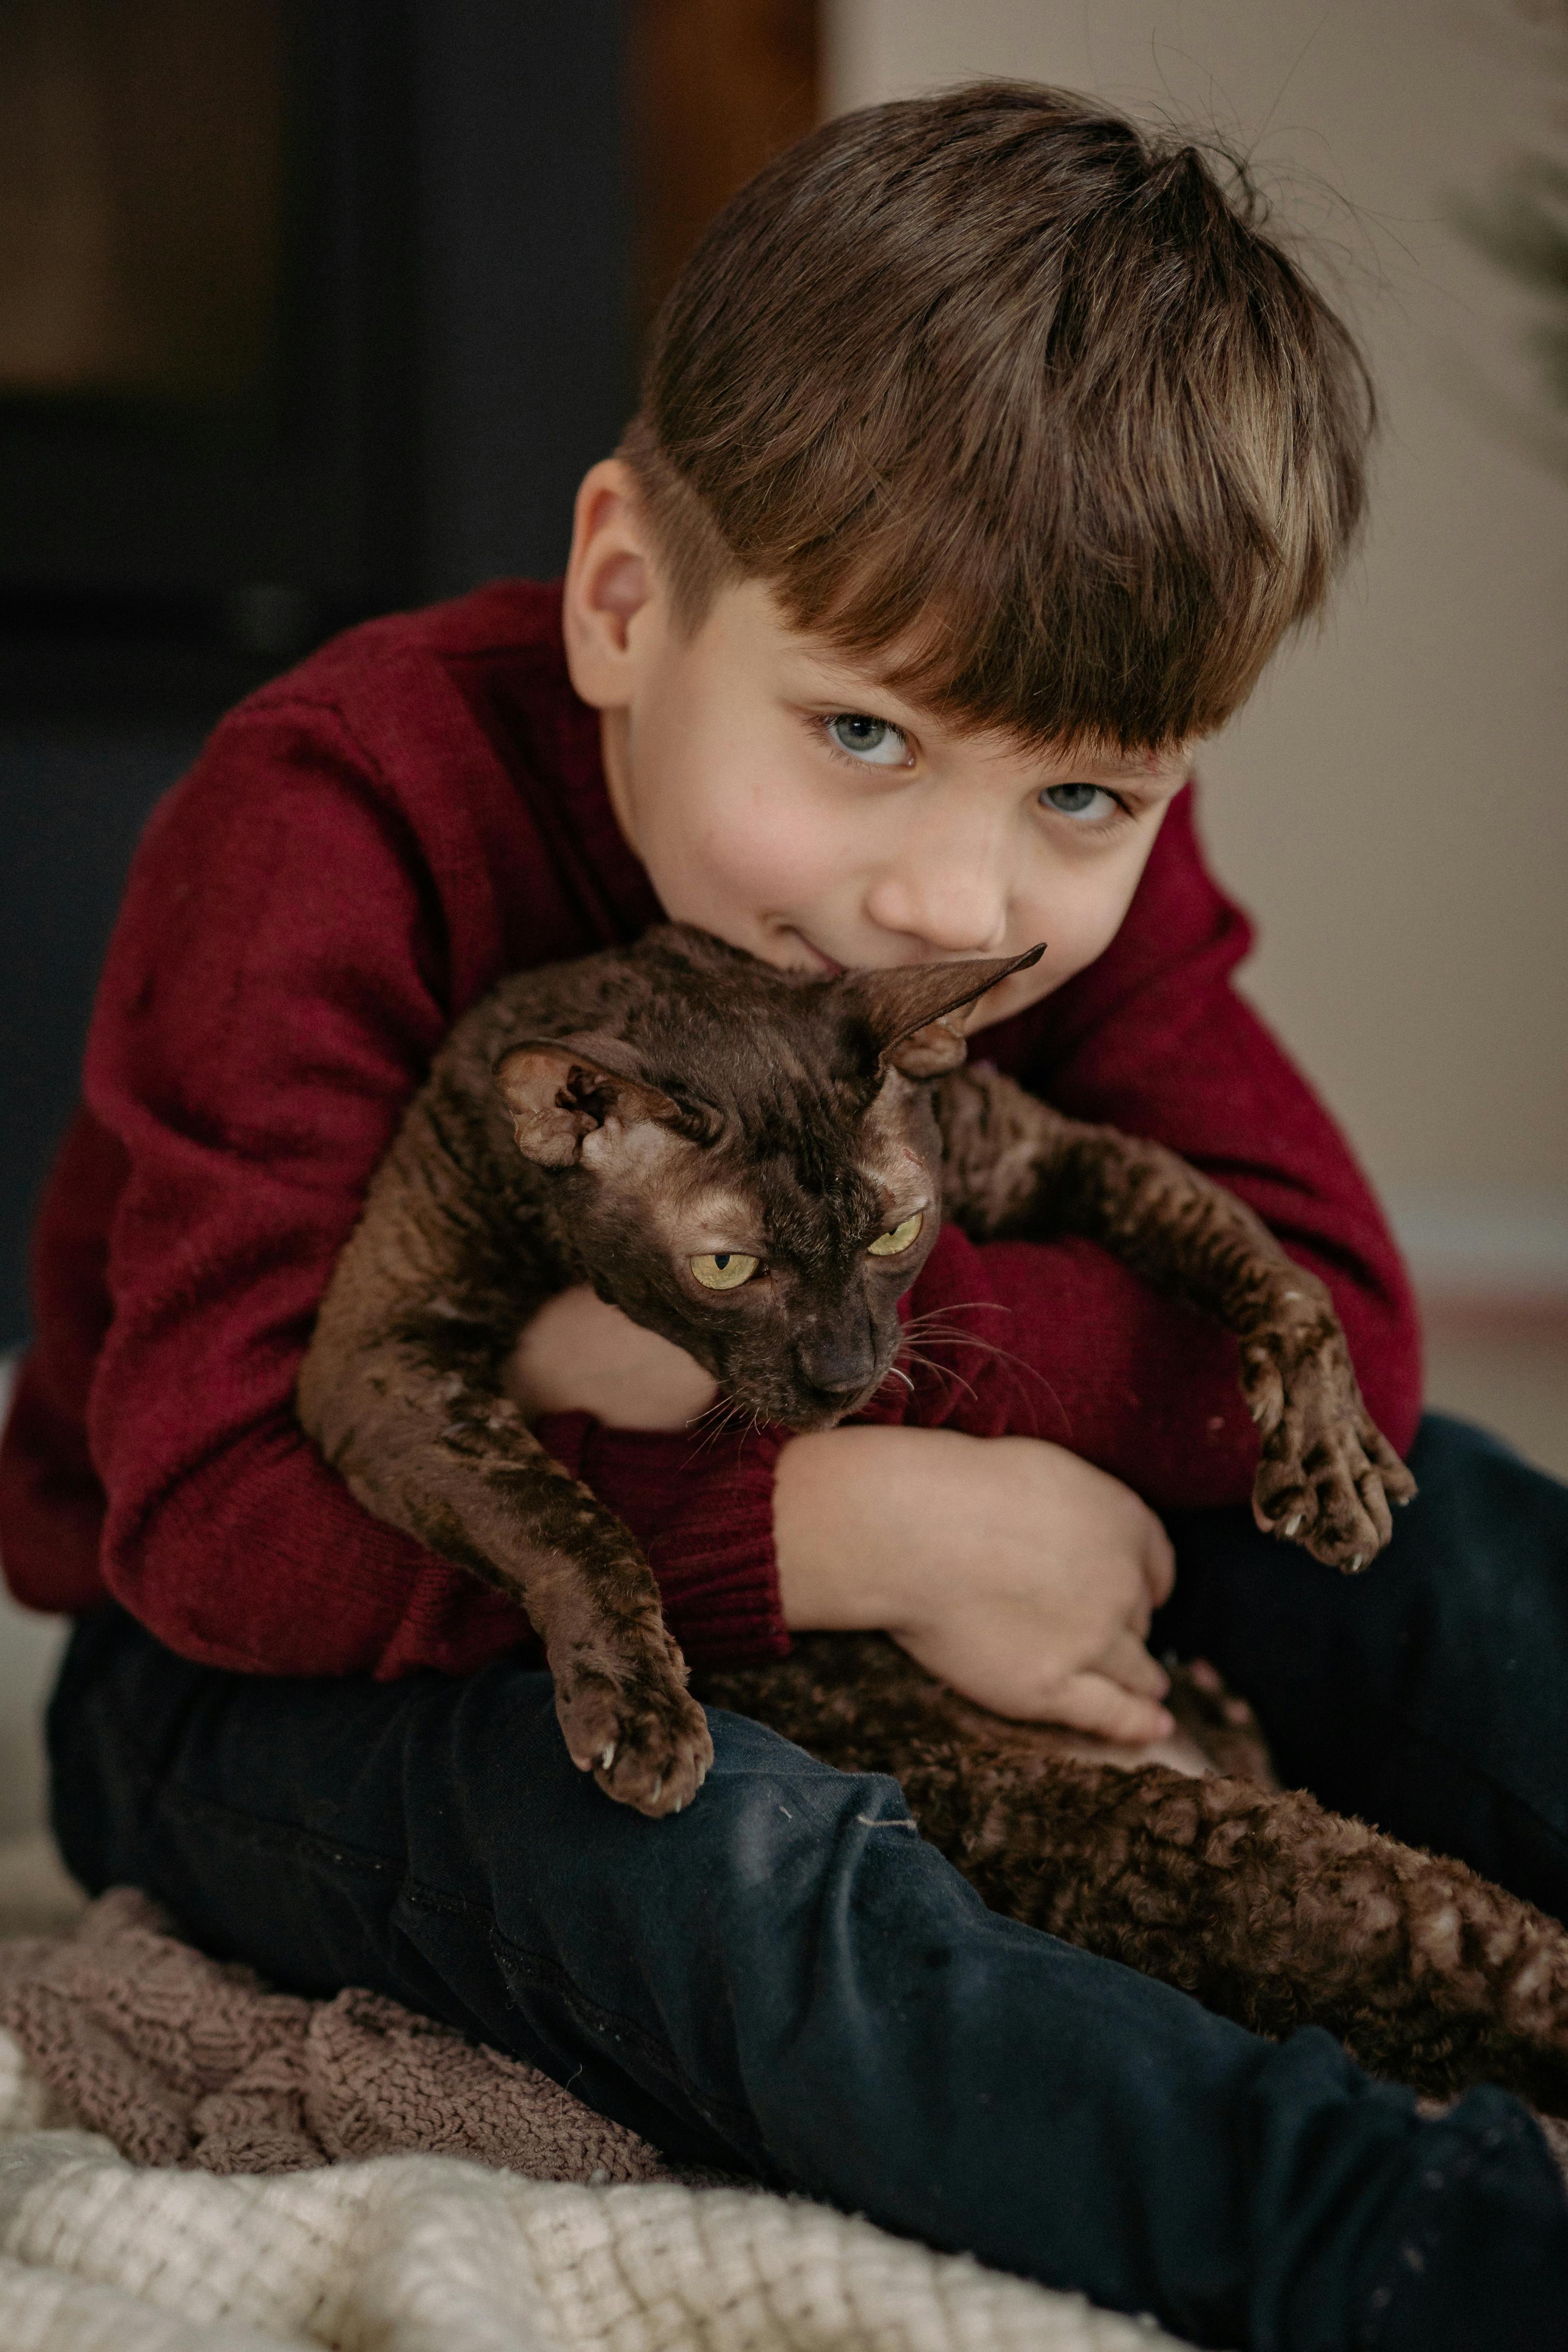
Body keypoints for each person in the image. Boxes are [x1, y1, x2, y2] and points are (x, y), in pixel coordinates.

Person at [3, 83, 1566, 2352]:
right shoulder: (333, 815)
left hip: (847, 1428)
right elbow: (222, 1517)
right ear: (629, 596)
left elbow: (1331, 1327)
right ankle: (1405, 2238)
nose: (957, 891)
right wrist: (835, 1530)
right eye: (857, 735)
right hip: (282, 1654)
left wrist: (931, 1446)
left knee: (1441, 1524)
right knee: (730, 1865)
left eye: (1087, 795)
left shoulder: (1031, 892)